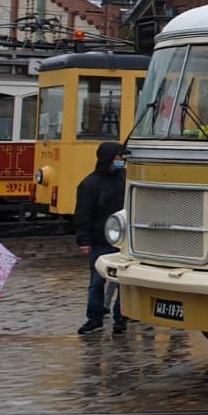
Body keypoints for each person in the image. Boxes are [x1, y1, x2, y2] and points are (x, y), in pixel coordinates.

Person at [76, 142, 130, 335]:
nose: (121, 161)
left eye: (122, 157)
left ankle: (121, 318)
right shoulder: (90, 184)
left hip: (124, 242)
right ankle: (94, 318)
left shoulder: (124, 178)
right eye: (118, 157)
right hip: (100, 241)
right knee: (97, 282)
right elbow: (83, 214)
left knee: (125, 283)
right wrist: (84, 240)